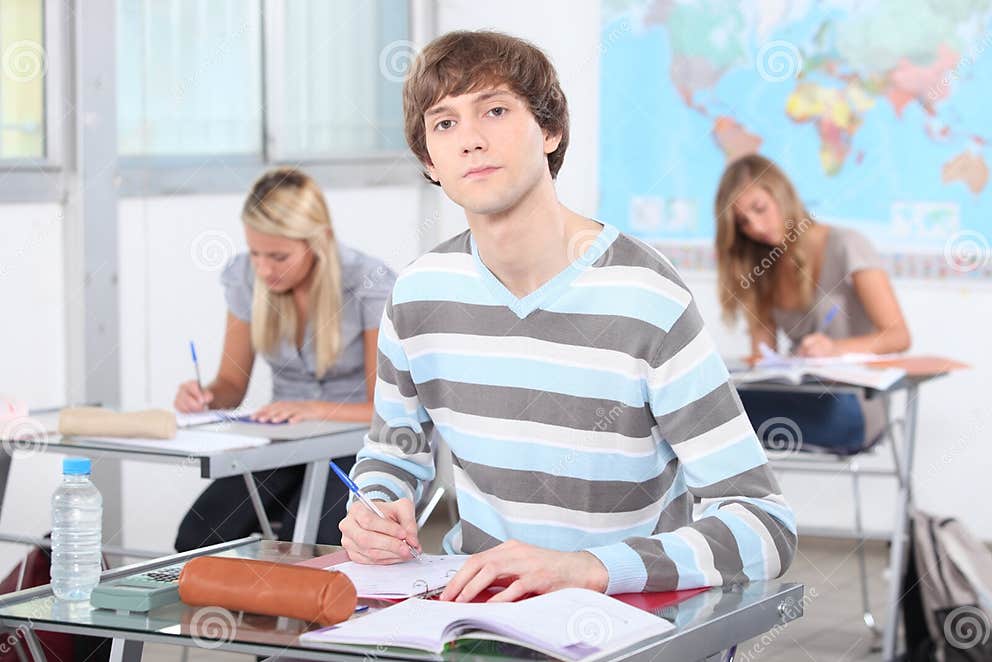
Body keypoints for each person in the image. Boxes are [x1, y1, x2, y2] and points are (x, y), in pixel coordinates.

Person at [338, 30, 796, 602]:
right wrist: (374, 509)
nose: (471, 140)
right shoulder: (418, 294)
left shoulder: (646, 296)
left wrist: (586, 568)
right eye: (445, 123)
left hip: (622, 616)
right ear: (431, 162)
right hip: (475, 611)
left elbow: (764, 526)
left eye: (495, 110)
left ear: (550, 131)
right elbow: (391, 454)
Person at [173, 167, 395, 551]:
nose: (263, 268)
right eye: (255, 252)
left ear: (318, 241)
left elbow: (384, 408)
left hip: (359, 443)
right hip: (283, 439)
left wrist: (308, 408)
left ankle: (302, 609)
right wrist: (205, 397)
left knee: (309, 543)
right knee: (199, 534)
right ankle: (227, 611)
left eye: (278, 256)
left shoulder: (369, 283)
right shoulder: (244, 276)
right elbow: (230, 386)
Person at [714, 153, 911, 450]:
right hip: (799, 395)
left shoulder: (847, 245)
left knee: (721, 424)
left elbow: (899, 336)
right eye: (743, 223)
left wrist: (835, 350)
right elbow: (762, 356)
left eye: (760, 209)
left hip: (853, 403)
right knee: (711, 411)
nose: (755, 226)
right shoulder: (762, 266)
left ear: (780, 194)